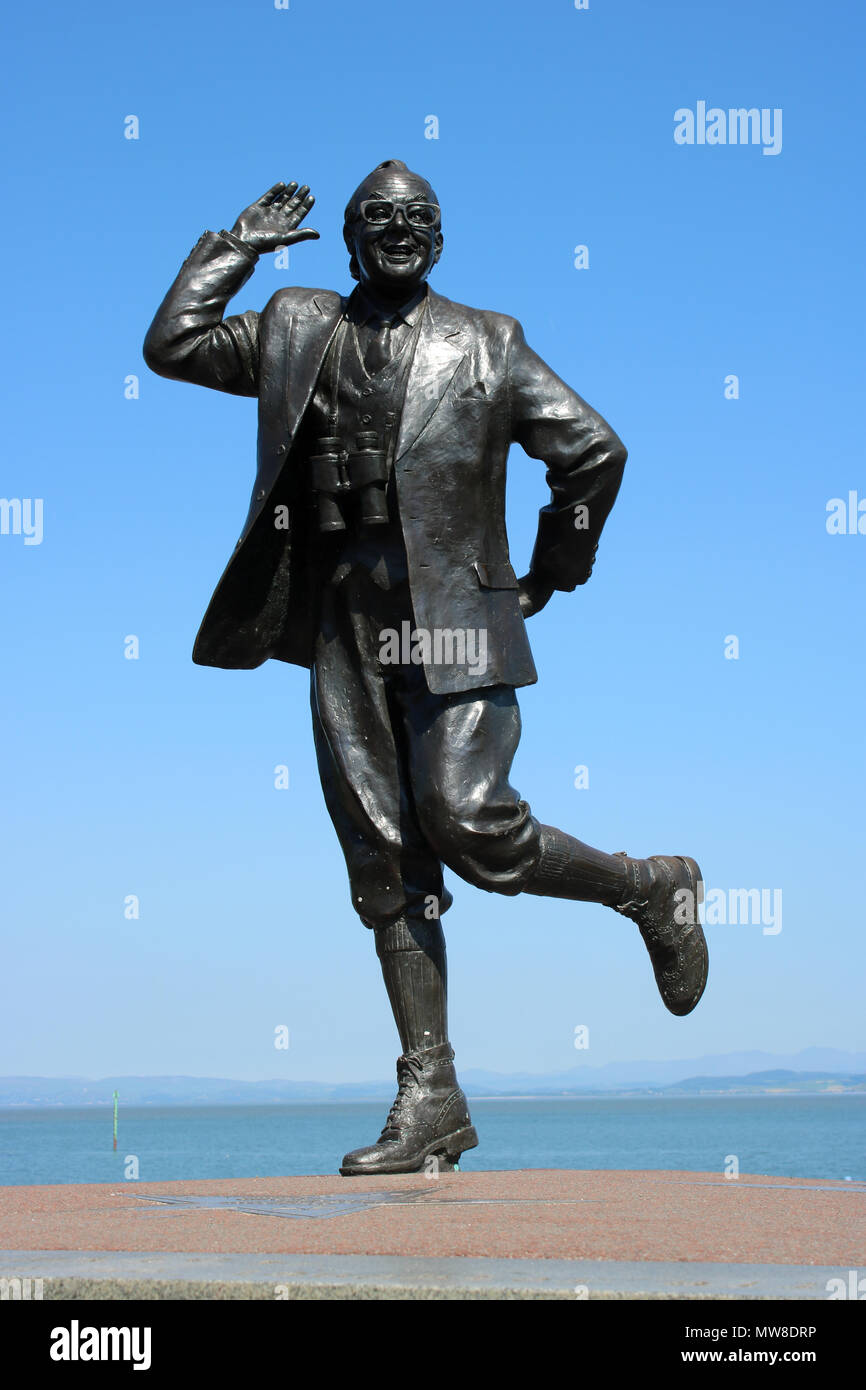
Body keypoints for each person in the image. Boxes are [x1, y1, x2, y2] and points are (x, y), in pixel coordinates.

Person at [143, 160, 708, 1176]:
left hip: (455, 616)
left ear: (438, 239)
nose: (395, 230)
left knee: (466, 821)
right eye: (375, 219)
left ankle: (645, 887)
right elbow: (173, 344)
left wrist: (551, 570)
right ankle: (430, 1093)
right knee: (383, 857)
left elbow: (592, 451)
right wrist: (236, 244)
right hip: (342, 616)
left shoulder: (487, 340)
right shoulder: (293, 324)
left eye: (415, 219)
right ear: (351, 239)